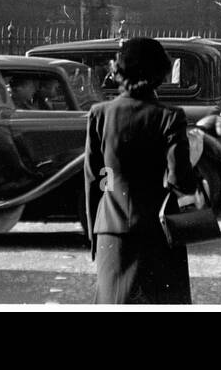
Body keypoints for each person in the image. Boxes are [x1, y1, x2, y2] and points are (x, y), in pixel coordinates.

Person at [84, 37, 200, 304]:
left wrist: (95, 235)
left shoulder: (100, 114)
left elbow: (97, 179)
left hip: (111, 230)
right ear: (160, 73)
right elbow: (179, 180)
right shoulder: (170, 116)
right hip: (157, 231)